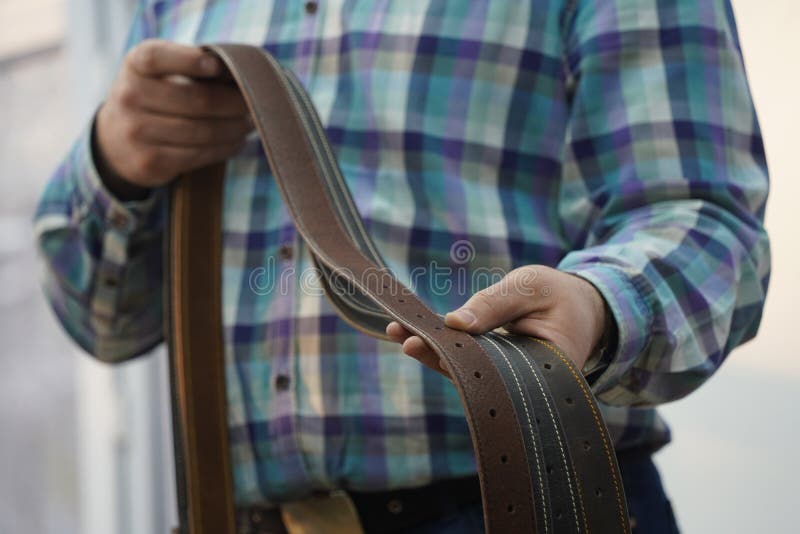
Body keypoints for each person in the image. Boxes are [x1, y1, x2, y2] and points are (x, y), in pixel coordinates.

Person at [34, 1, 770, 532]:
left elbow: (705, 220)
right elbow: (104, 326)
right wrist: (114, 164)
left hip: (526, 504)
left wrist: (599, 307)